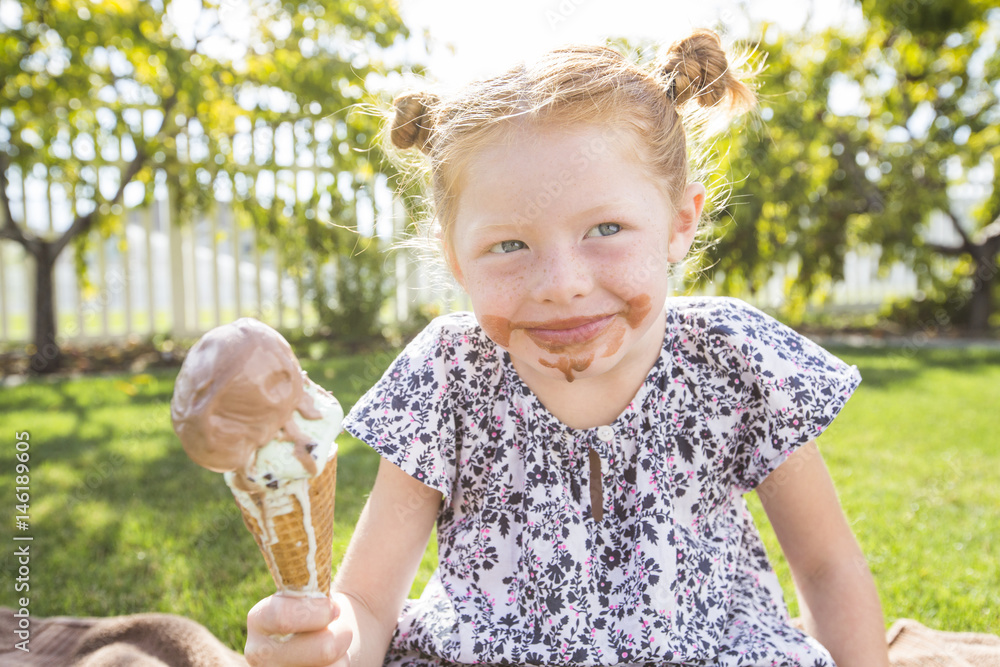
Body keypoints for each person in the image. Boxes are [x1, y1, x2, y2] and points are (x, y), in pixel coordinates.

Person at [245, 30, 890, 667]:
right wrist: (326, 648)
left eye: (606, 229)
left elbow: (828, 566)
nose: (562, 286)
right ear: (455, 258)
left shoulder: (733, 359)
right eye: (508, 246)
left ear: (680, 222)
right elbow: (367, 598)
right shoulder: (449, 372)